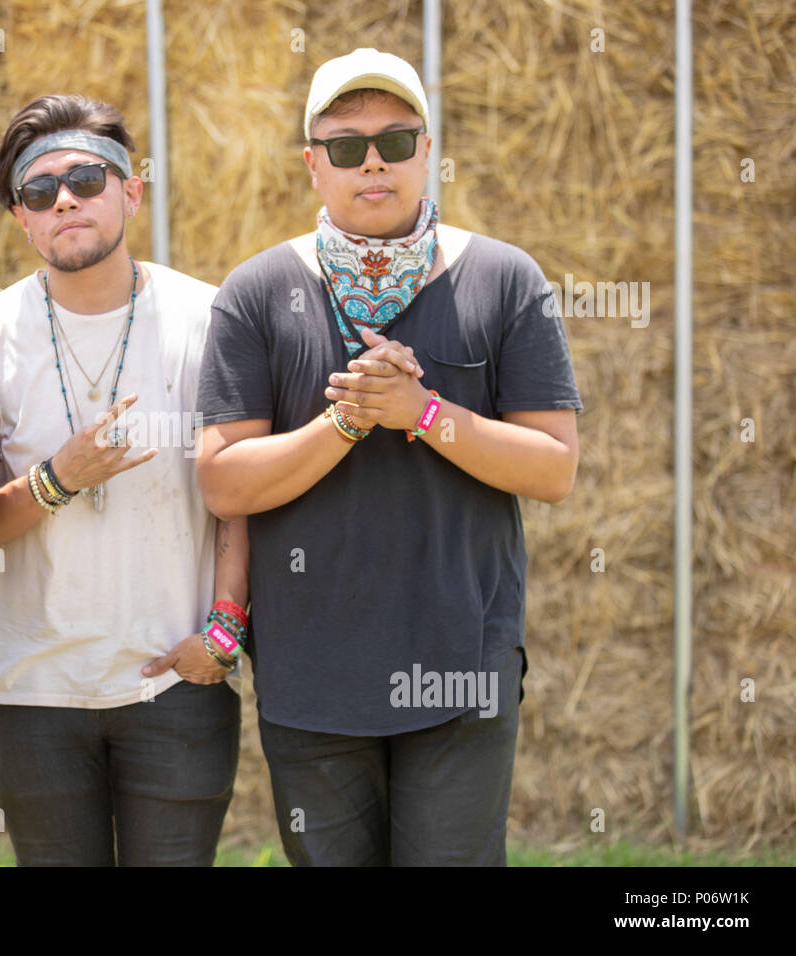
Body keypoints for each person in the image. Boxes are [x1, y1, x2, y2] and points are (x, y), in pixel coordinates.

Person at [195, 49, 583, 866]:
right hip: (311, 676)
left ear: (428, 150)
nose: (372, 162)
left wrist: (424, 413)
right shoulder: (258, 292)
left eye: (395, 141)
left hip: (461, 668)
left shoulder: (505, 281)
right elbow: (224, 479)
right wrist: (344, 422)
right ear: (312, 165)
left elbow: (553, 468)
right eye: (345, 147)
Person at [0, 95, 249, 866]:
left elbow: (240, 496)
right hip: (33, 688)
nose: (66, 200)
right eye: (39, 192)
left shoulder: (209, 318)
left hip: (175, 681)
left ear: (131, 190)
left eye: (86, 178)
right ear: (22, 219)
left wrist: (223, 628)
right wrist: (55, 480)